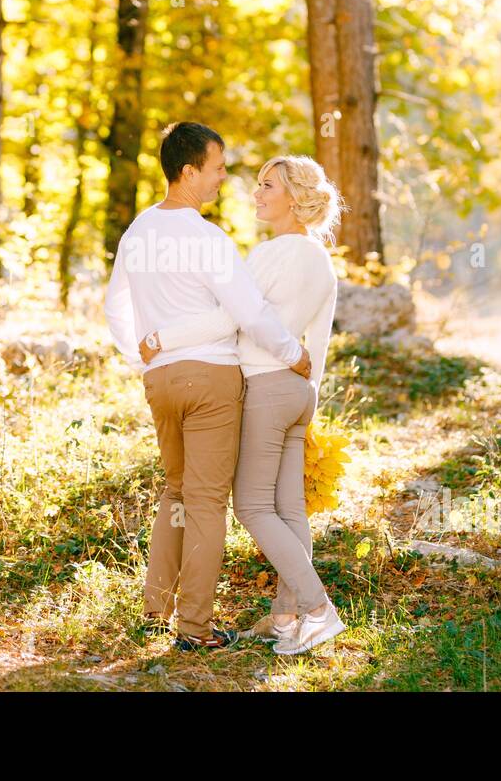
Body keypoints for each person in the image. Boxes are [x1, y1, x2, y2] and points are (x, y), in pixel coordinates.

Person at [104, 122, 311, 651]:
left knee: (175, 493)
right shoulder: (207, 237)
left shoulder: (138, 232)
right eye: (218, 167)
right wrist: (294, 353)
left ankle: (156, 608)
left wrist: (143, 358)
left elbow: (115, 307)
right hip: (212, 381)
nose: (224, 177)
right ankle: (194, 628)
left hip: (162, 380)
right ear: (190, 169)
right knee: (205, 503)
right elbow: (248, 312)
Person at [137, 154, 346, 655]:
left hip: (266, 387)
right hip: (299, 392)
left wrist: (163, 336)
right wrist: (308, 392)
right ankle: (287, 617)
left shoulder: (270, 255)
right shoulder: (322, 261)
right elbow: (318, 341)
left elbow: (232, 319)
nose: (256, 193)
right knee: (289, 511)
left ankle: (319, 609)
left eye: (267, 186)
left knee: (252, 507)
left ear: (294, 199)